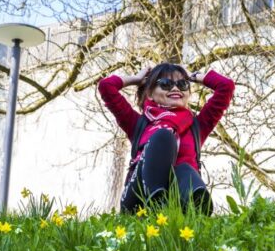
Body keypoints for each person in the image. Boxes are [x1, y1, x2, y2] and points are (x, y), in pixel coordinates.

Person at [98, 63, 235, 214]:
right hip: (139, 200)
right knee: (163, 137)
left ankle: (196, 212)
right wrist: (136, 79)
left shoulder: (197, 126)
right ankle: (156, 201)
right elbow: (106, 86)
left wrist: (193, 76)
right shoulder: (138, 123)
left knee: (185, 169)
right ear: (150, 93)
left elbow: (226, 86)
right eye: (165, 84)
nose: (175, 88)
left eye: (182, 84)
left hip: (177, 200)